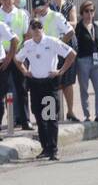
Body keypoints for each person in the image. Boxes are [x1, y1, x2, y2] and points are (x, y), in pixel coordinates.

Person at [13, 16, 75, 160]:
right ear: (30, 29)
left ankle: (53, 149)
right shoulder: (28, 44)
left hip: (49, 83)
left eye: (38, 26)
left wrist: (61, 71)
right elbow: (17, 59)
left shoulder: (52, 41)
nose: (36, 29)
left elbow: (71, 54)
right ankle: (45, 148)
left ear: (43, 28)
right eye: (33, 27)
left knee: (50, 117)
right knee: (39, 118)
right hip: (35, 84)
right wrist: (24, 71)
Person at [45, 0, 76, 123]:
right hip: (52, 45)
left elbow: (74, 23)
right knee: (54, 79)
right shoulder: (49, 7)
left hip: (67, 42)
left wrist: (60, 22)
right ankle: (54, 112)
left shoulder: (69, 5)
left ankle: (70, 111)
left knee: (68, 81)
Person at [0, 0, 31, 129]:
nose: (7, 1)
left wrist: (21, 52)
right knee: (3, 90)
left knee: (22, 88)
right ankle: (9, 121)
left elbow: (26, 36)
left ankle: (25, 121)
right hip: (2, 57)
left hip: (18, 54)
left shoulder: (21, 14)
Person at [73, 1, 98, 124]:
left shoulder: (96, 27)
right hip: (83, 60)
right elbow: (75, 45)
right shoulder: (78, 27)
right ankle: (87, 115)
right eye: (86, 11)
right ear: (82, 13)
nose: (89, 14)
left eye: (92, 11)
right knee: (84, 89)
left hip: (96, 60)